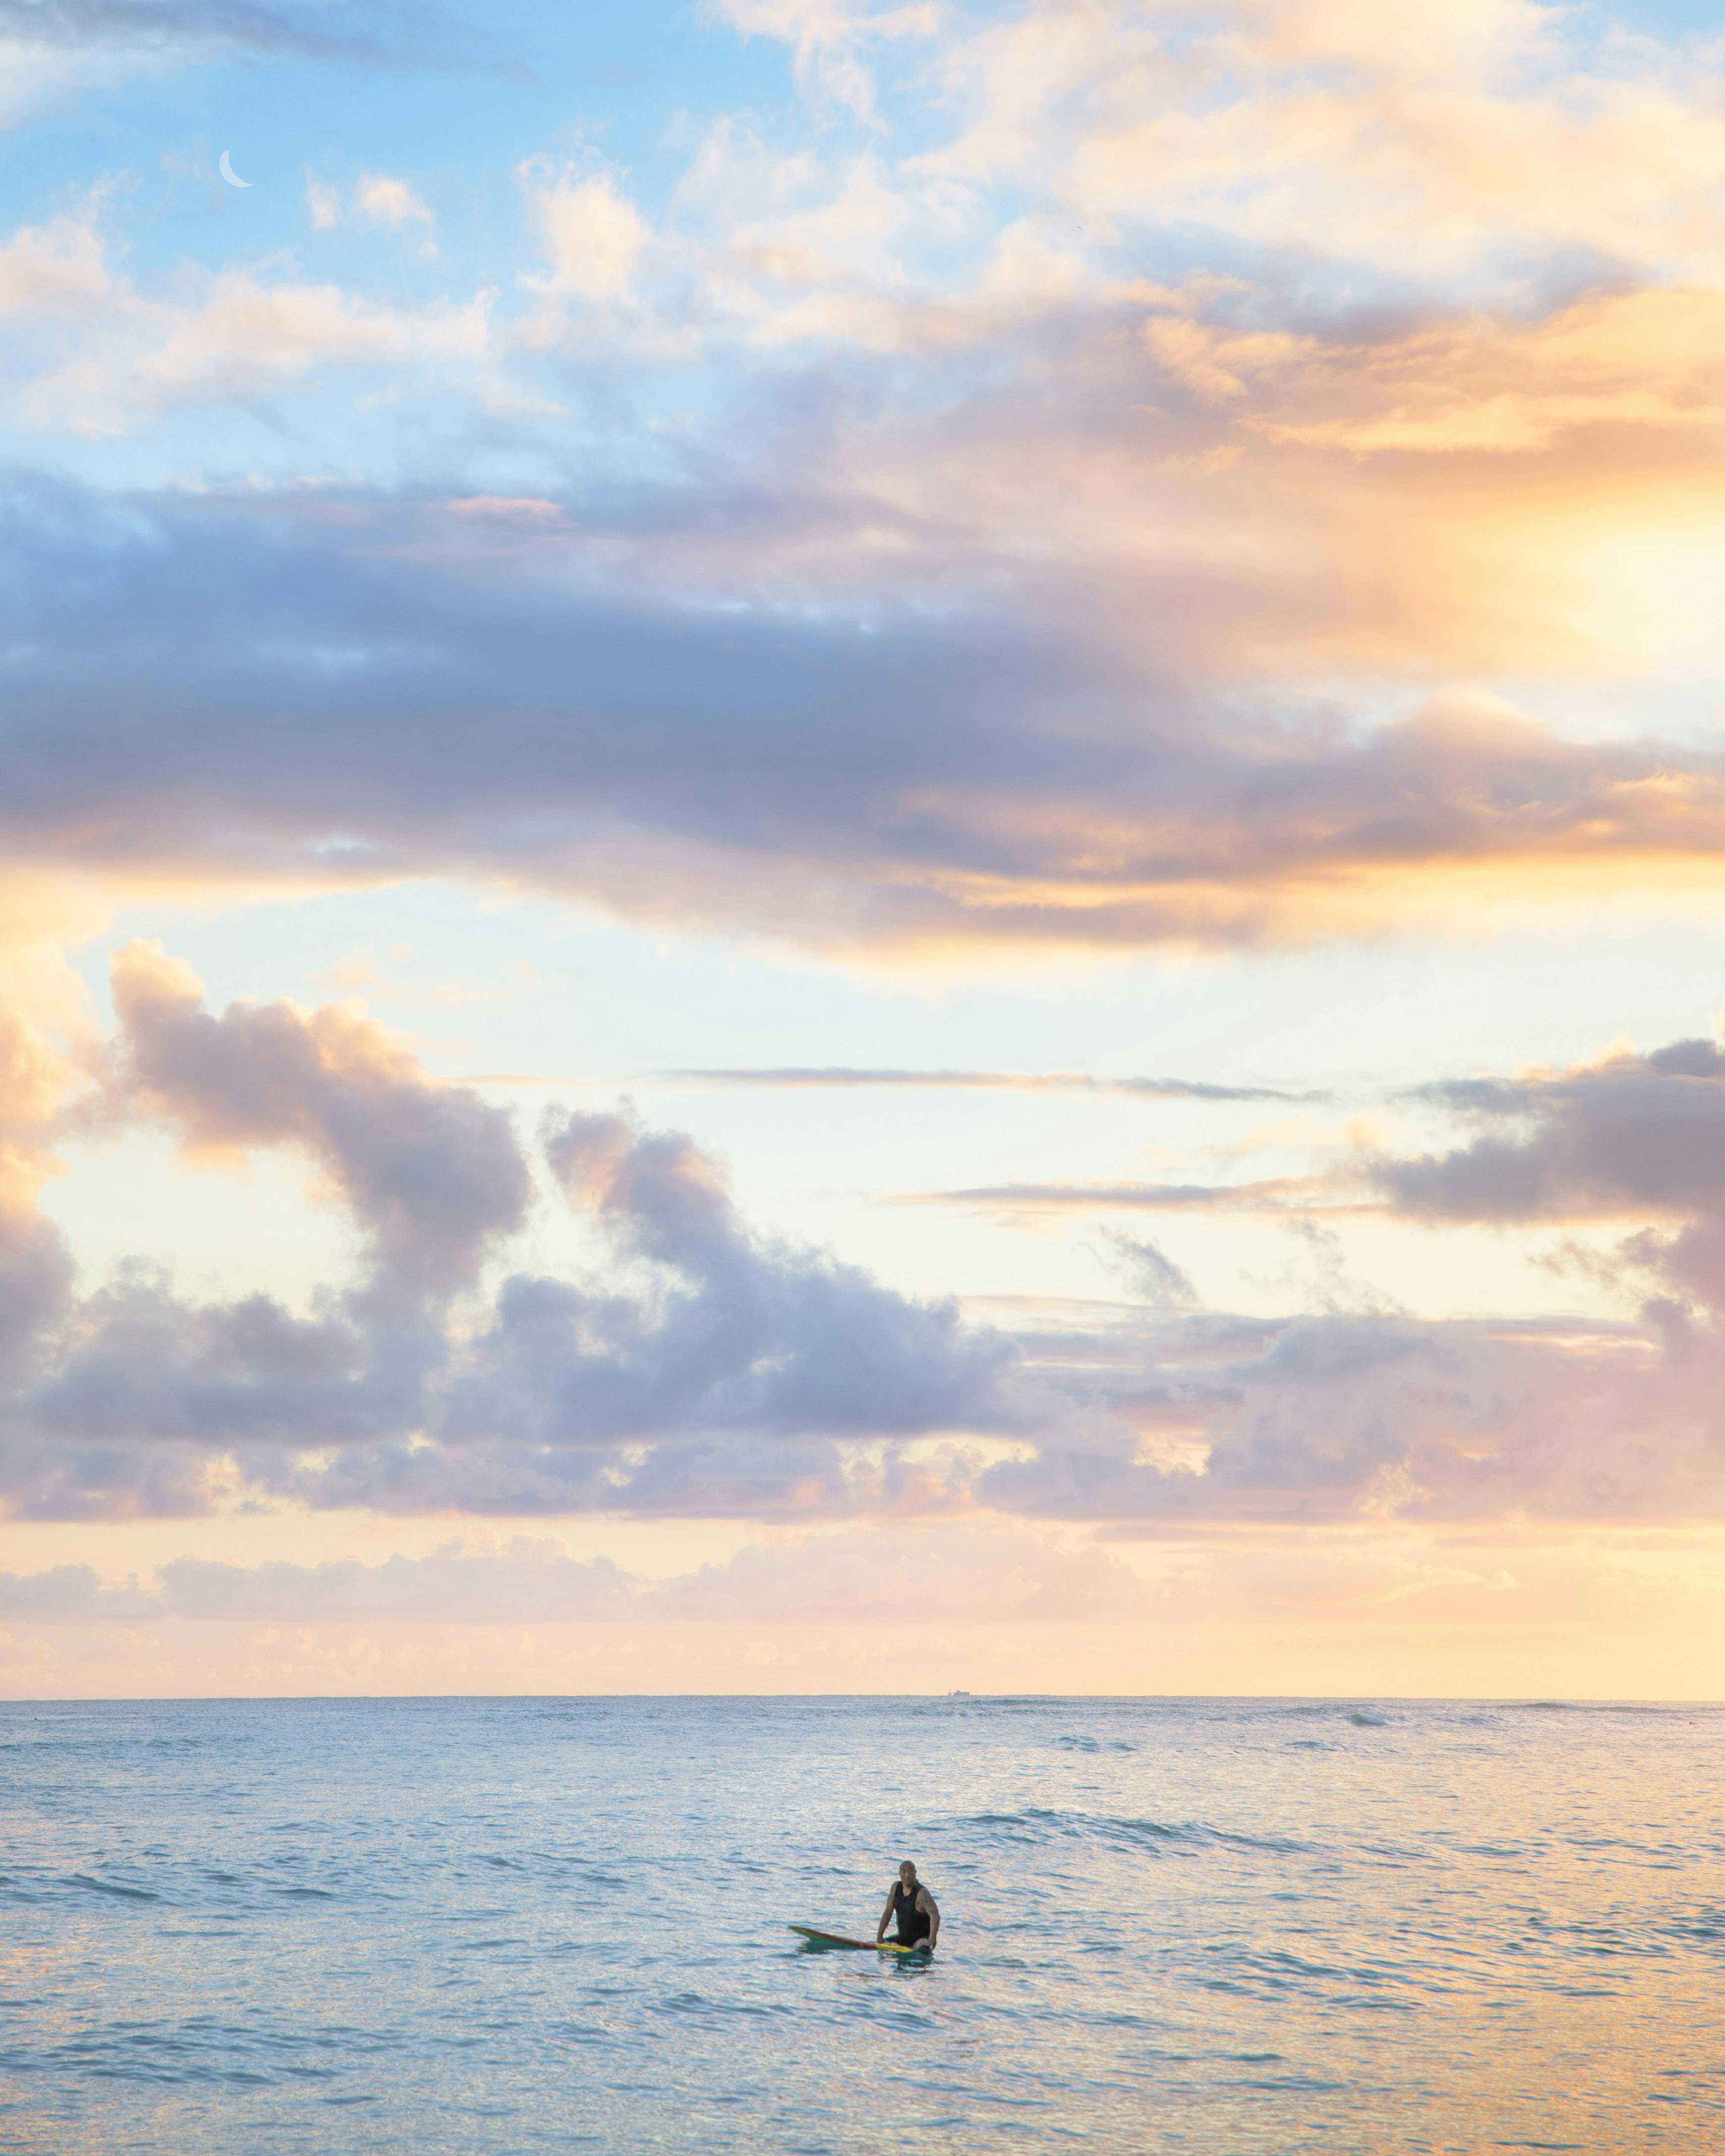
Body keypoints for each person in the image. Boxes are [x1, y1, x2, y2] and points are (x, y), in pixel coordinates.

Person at [876, 1859, 939, 1954]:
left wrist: (931, 1940)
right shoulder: (896, 1888)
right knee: (875, 1946)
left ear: (915, 1873)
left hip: (920, 1942)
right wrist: (880, 1936)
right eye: (904, 1871)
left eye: (910, 1871)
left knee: (922, 1953)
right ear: (900, 1873)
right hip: (902, 1940)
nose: (907, 1875)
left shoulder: (922, 1894)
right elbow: (888, 1912)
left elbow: (935, 1916)